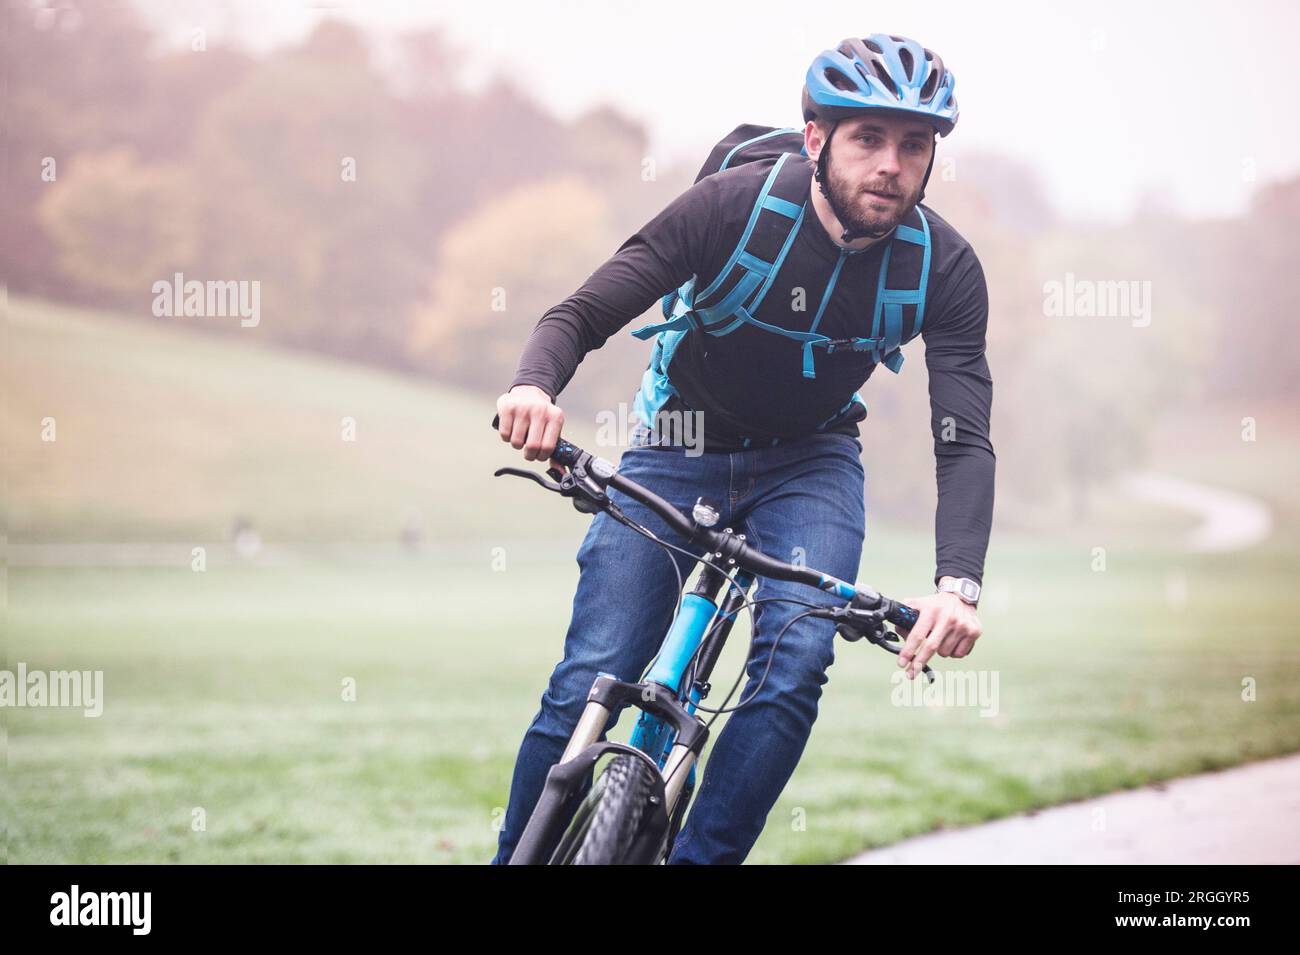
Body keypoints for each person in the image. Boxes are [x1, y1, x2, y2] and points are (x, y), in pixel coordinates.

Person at [492, 34, 994, 864]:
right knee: (594, 669)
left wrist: (958, 584)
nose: (892, 165)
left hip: (812, 461)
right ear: (815, 139)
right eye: (868, 137)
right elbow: (578, 314)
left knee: (796, 657)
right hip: (681, 438)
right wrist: (534, 387)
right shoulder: (732, 206)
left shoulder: (944, 268)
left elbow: (964, 435)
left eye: (915, 145)